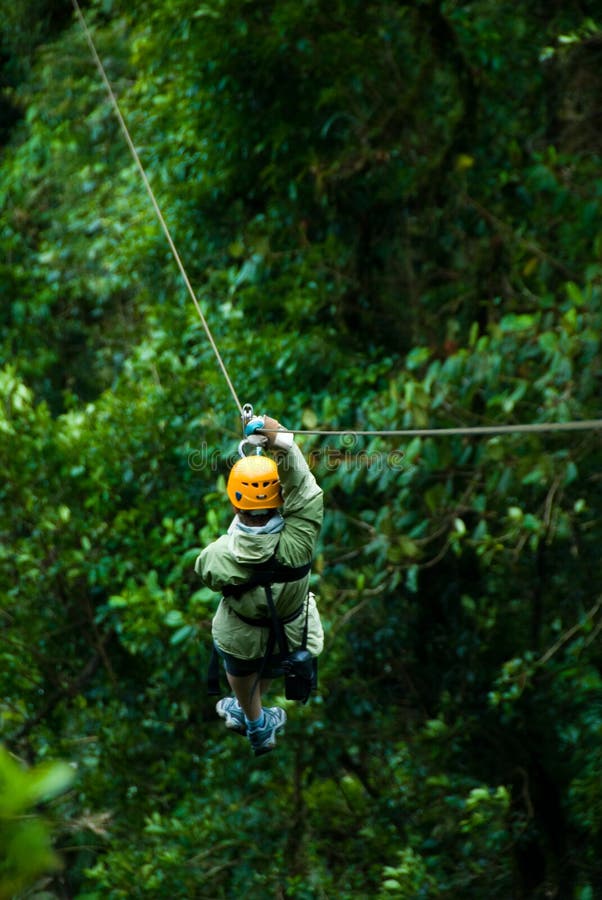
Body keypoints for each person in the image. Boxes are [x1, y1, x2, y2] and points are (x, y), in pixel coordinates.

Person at [195, 415, 324, 756]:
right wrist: (280, 439)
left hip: (243, 638)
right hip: (291, 633)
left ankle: (255, 724)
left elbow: (208, 575)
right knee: (264, 654)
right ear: (279, 498)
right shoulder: (300, 538)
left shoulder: (218, 555)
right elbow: (306, 490)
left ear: (235, 502)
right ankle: (253, 715)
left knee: (240, 650)